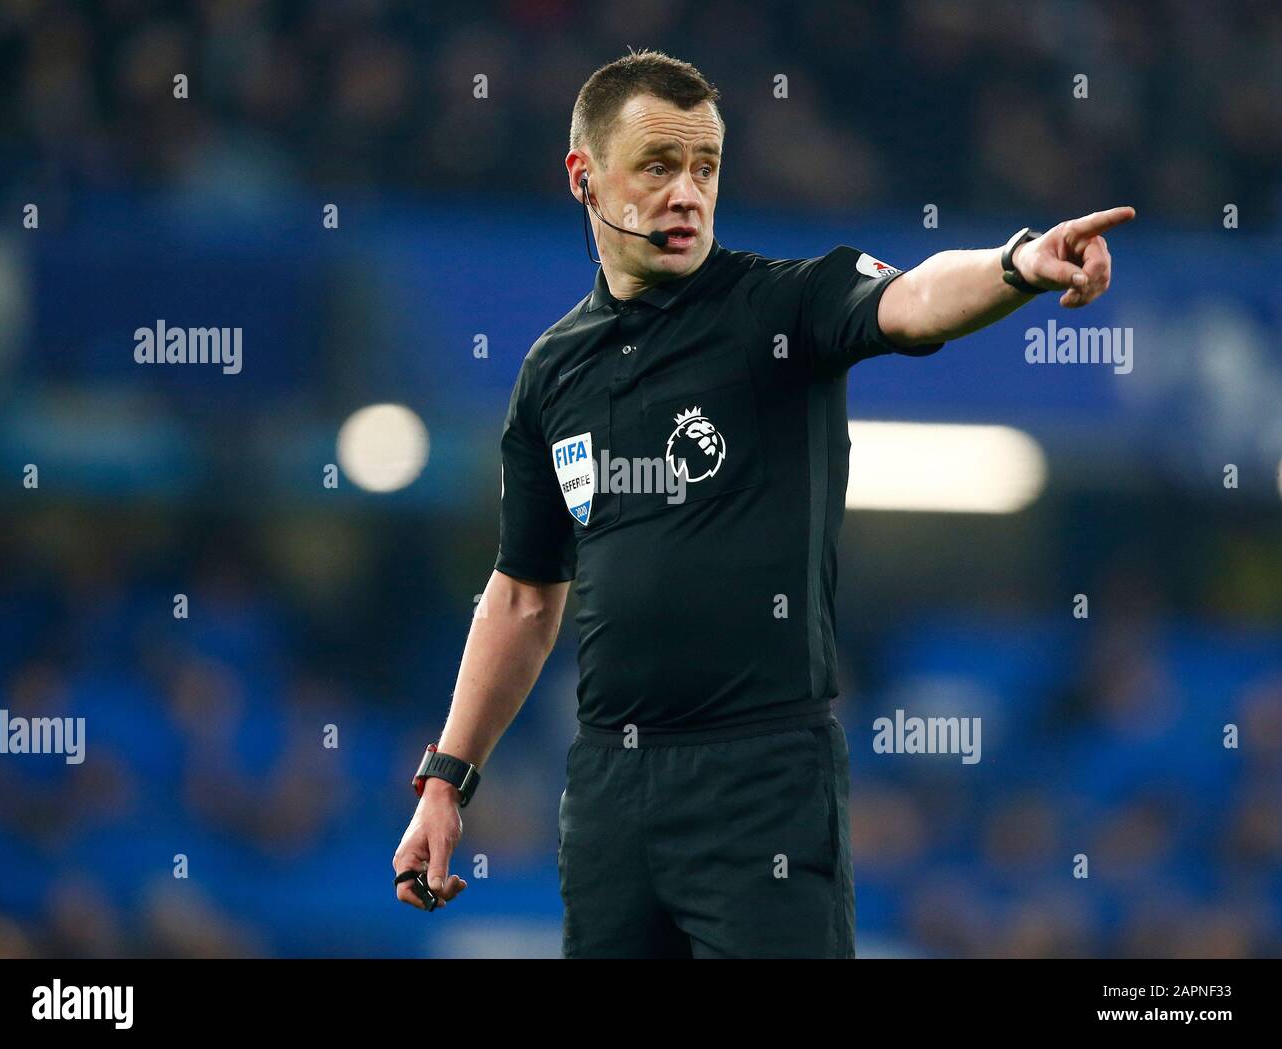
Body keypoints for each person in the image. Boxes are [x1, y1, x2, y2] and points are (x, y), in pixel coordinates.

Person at [392, 49, 1132, 958]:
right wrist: (445, 781)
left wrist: (1020, 262)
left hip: (763, 784)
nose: (688, 193)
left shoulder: (782, 308)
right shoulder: (553, 371)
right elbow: (523, 594)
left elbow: (914, 300)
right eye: (659, 166)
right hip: (608, 793)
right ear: (585, 178)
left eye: (705, 167)